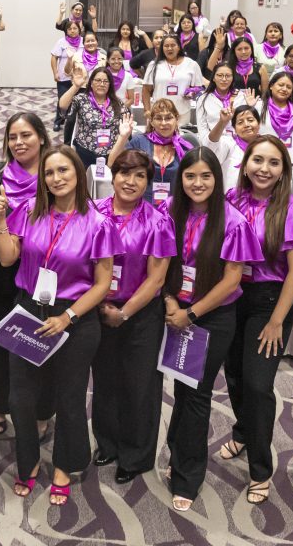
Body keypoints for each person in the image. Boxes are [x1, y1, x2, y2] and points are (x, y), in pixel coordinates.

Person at [0, 145, 124, 506]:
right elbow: (7, 259)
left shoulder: (97, 222)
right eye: (49, 173)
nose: (56, 178)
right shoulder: (31, 212)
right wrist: (2, 222)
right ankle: (29, 462)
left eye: (64, 171)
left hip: (74, 318)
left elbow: (102, 284)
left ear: (78, 174)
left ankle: (65, 465)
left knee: (69, 395)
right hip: (29, 309)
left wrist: (68, 317)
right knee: (20, 395)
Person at [220, 137, 293, 504]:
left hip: (269, 303)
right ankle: (244, 431)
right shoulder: (229, 202)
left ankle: (260, 468)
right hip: (230, 298)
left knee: (258, 384)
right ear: (245, 164)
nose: (264, 168)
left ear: (284, 170)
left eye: (273, 162)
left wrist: (278, 320)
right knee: (232, 374)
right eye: (257, 160)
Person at [163, 147, 263, 512]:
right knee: (182, 385)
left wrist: (190, 314)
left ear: (217, 179)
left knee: (197, 393)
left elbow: (232, 279)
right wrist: (171, 301)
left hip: (212, 316)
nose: (198, 183)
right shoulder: (169, 212)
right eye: (190, 176)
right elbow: (160, 264)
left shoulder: (233, 221)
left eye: (206, 176)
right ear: (181, 178)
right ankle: (177, 452)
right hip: (176, 309)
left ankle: (188, 476)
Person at [90, 149, 176, 484]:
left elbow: (156, 279)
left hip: (139, 315)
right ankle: (108, 443)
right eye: (125, 173)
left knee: (140, 385)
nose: (131, 181)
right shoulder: (94, 213)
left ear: (148, 182)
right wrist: (99, 307)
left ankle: (136, 455)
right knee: (106, 379)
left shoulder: (158, 221)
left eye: (140, 175)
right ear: (113, 176)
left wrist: (123, 313)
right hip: (98, 310)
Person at [0, 113, 52, 438]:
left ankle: (41, 409)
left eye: (26, 135)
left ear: (42, 138)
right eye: (12, 137)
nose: (18, 143)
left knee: (38, 344)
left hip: (42, 276)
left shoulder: (55, 175)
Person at [107, 99, 191, 205]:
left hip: (174, 208)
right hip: (142, 208)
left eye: (169, 118)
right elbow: (111, 163)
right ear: (151, 121)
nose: (164, 123)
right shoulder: (140, 142)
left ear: (176, 119)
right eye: (158, 118)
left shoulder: (184, 147)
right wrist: (123, 137)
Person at [58, 64, 121, 167]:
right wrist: (76, 86)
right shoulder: (82, 99)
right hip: (85, 151)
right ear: (91, 83)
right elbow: (63, 106)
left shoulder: (117, 103)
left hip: (110, 154)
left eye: (105, 81)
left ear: (110, 85)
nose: (102, 84)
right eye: (98, 80)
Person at [141, 35, 205, 125]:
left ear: (179, 47)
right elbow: (146, 89)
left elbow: (199, 88)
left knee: (180, 138)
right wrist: (147, 110)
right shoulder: (154, 65)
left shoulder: (192, 64)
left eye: (173, 45)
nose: (169, 48)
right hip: (158, 114)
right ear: (162, 48)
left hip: (182, 113)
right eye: (166, 46)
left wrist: (192, 93)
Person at [257, 71, 293, 168]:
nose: (284, 89)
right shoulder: (259, 106)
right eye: (281, 85)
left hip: (291, 161)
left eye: (289, 87)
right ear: (271, 86)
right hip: (265, 162)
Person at [207, 101, 262, 189]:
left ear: (259, 124)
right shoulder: (229, 143)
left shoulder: (266, 145)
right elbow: (212, 144)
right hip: (232, 200)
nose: (246, 125)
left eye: (250, 120)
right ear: (235, 129)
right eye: (240, 122)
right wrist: (222, 122)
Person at [49, 19, 82, 130]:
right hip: (64, 77)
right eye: (69, 29)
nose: (72, 31)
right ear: (66, 30)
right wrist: (55, 73)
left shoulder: (84, 41)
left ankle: (75, 121)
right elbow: (54, 58)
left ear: (79, 29)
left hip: (79, 78)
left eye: (75, 28)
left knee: (78, 100)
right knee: (62, 99)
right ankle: (58, 120)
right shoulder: (61, 42)